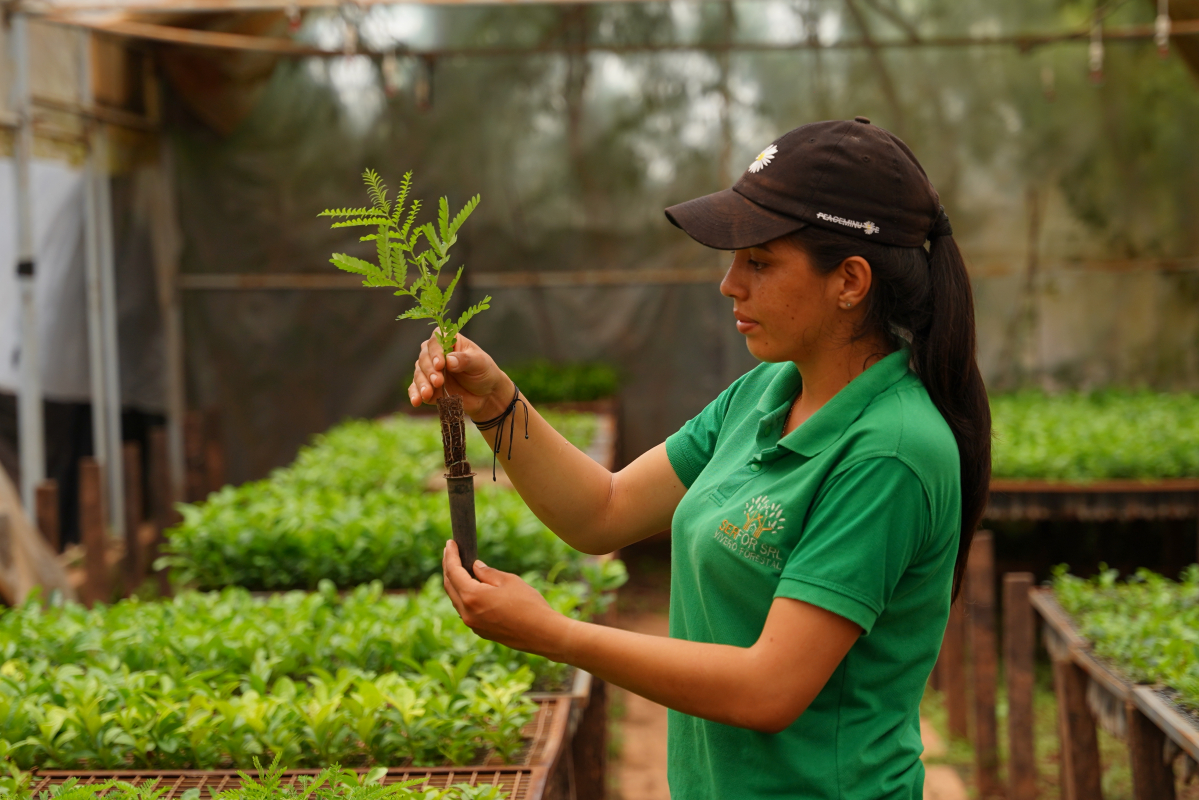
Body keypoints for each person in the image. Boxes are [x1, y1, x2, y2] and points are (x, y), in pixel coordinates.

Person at [408, 117, 991, 799]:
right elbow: (605, 509)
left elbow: (769, 688)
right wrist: (493, 401)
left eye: (760, 262)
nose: (729, 285)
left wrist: (557, 636)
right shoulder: (766, 393)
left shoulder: (890, 451)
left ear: (851, 280)